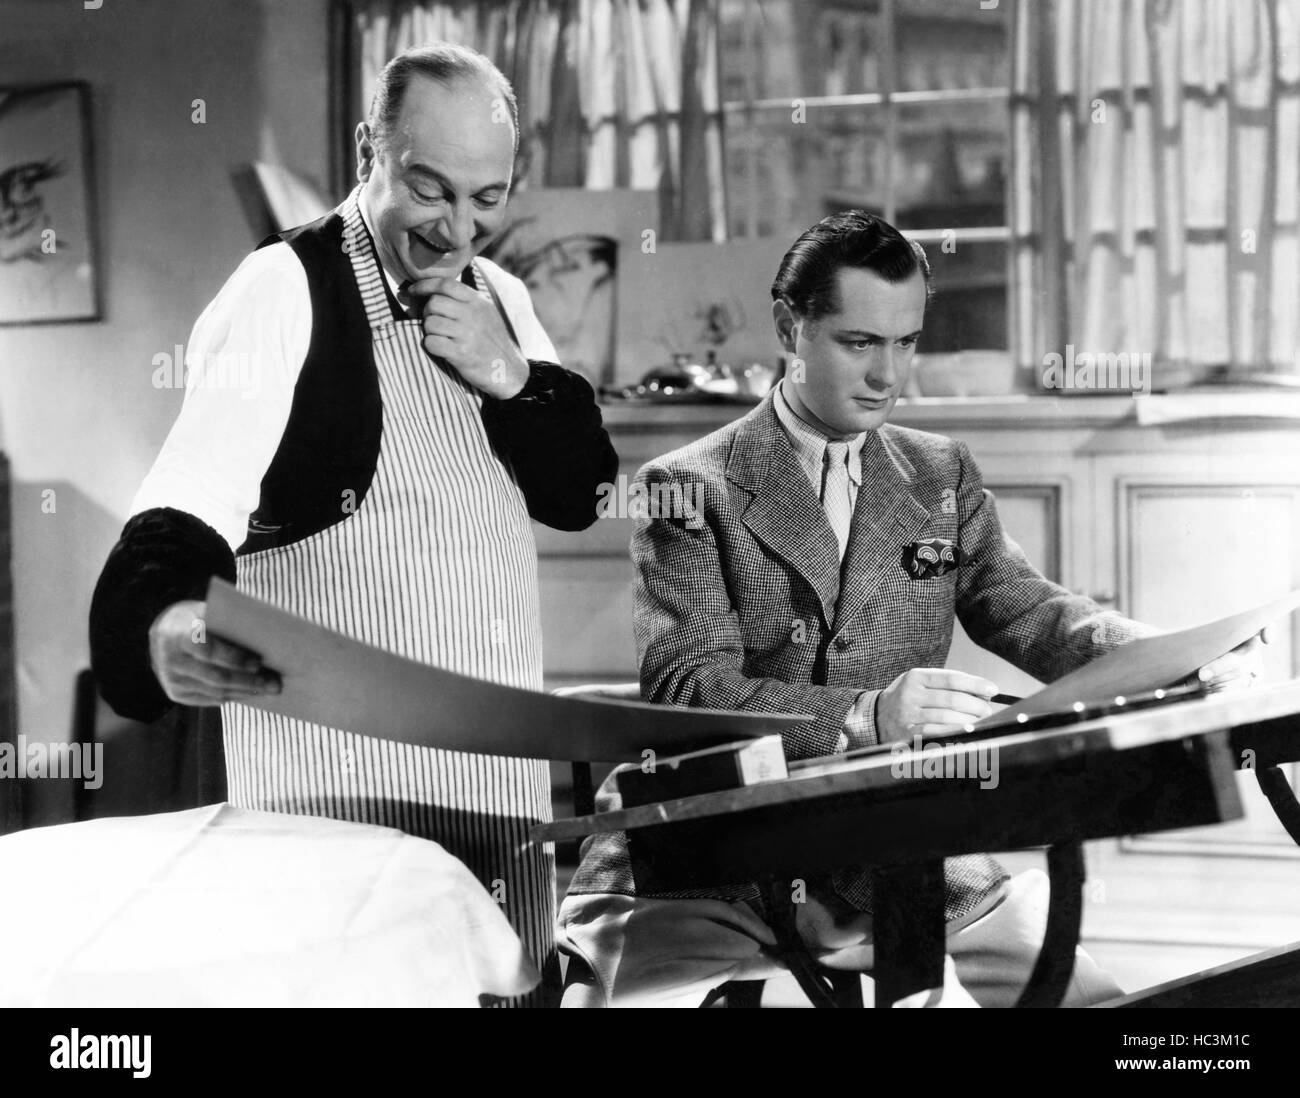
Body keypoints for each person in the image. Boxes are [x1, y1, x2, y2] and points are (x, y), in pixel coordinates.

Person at [558, 210, 1262, 1008]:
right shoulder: (688, 485)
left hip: (906, 852)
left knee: (1102, 1011)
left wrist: (1185, 657)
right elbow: (688, 692)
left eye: (906, 342)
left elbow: (1031, 612)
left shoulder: (939, 473)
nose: (889, 374)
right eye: (860, 342)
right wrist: (868, 716)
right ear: (791, 327)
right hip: (713, 864)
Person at [89, 44, 617, 1005]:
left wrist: (511, 377)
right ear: (370, 147)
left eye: (487, 199)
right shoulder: (282, 289)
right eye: (429, 188)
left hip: (490, 802)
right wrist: (162, 626)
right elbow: (181, 504)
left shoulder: (502, 299)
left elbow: (578, 491)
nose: (458, 229)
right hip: (339, 805)